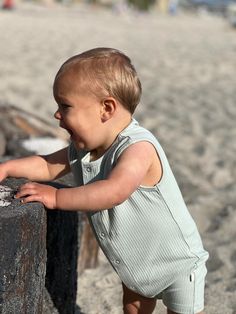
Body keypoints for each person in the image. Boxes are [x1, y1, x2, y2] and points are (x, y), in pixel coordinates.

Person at [0, 47, 209, 314]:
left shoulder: (138, 148)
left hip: (178, 264)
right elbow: (47, 164)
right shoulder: (84, 149)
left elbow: (115, 190)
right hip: (137, 261)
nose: (56, 115)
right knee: (133, 306)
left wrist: (56, 197)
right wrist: (8, 167)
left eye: (65, 106)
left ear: (106, 109)